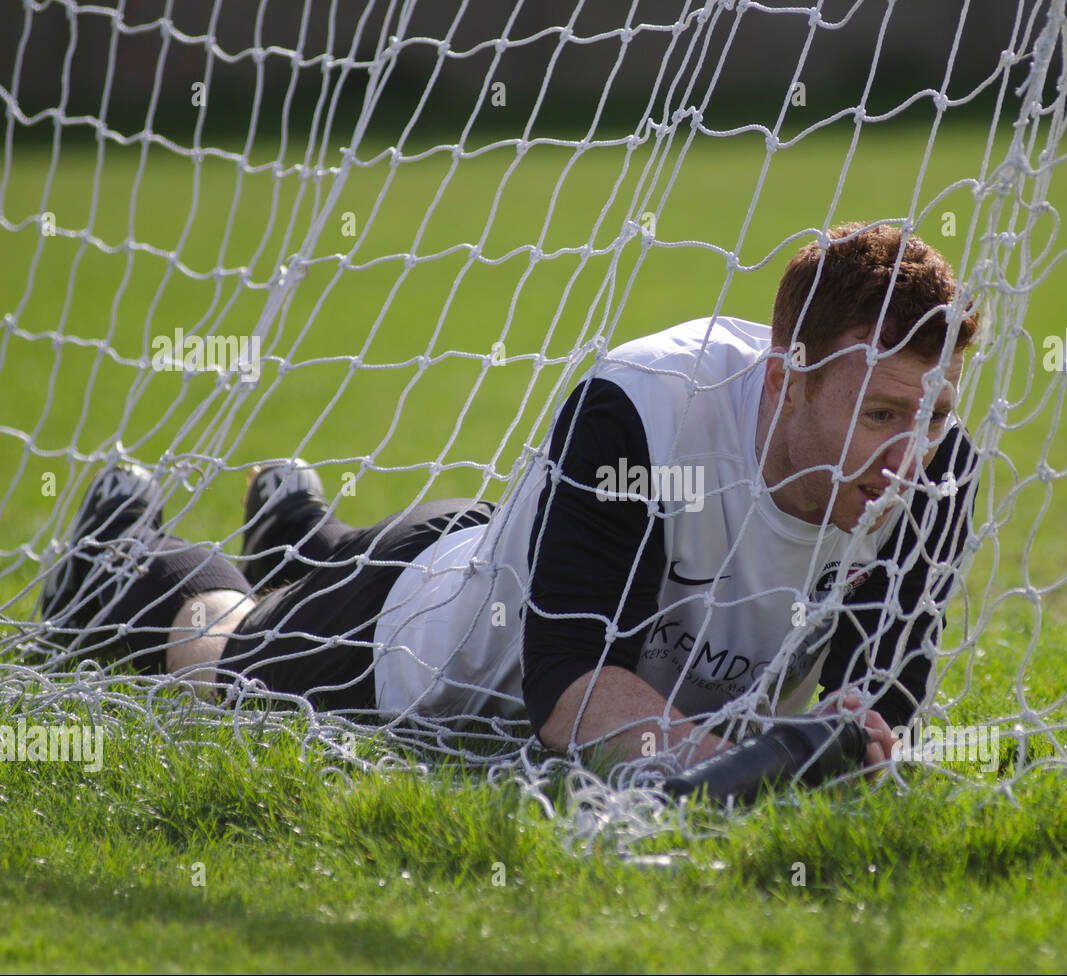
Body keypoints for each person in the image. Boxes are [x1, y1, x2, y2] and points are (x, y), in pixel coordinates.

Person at [39, 222, 980, 775]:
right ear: (784, 381)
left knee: (345, 557)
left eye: (931, 416)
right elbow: (570, 695)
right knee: (213, 648)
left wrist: (849, 745)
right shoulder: (647, 408)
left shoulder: (934, 470)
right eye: (878, 413)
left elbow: (872, 712)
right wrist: (735, 769)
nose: (909, 454)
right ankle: (115, 549)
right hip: (409, 638)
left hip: (498, 546)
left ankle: (296, 526)